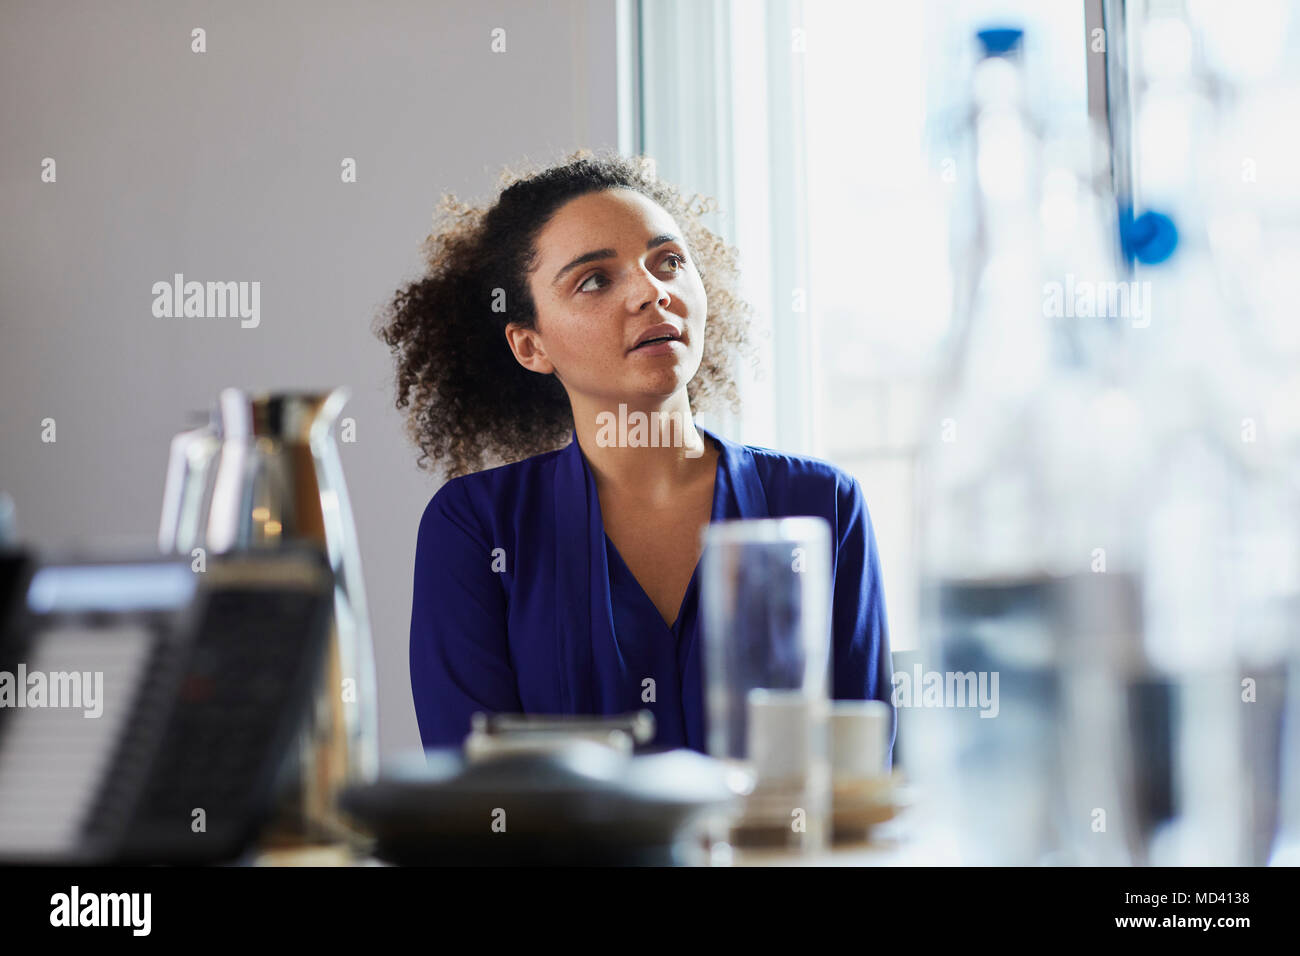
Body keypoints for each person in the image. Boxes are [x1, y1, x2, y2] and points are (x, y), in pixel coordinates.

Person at [377, 148, 894, 757]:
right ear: (530, 345)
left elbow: (859, 780)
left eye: (669, 261)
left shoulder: (821, 504)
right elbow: (478, 801)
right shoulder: (474, 527)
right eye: (595, 279)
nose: (652, 292)